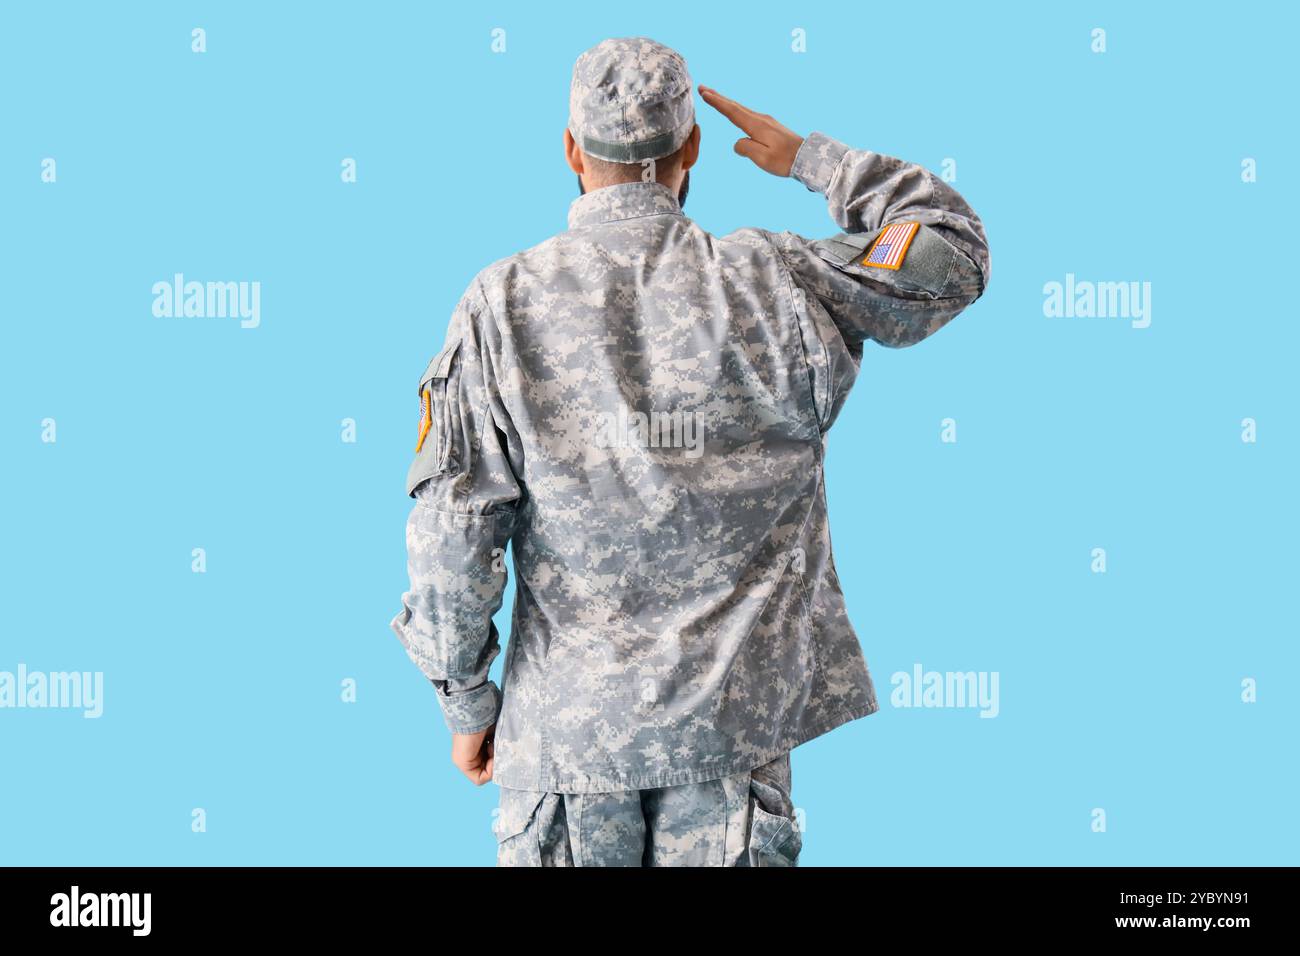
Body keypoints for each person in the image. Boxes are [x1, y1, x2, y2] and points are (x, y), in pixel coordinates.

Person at [390, 36, 990, 866]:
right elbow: (948, 256)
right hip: (731, 750)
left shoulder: (501, 305)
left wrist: (465, 702)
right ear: (693, 148)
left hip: (567, 755)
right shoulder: (778, 279)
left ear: (570, 148)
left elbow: (454, 535)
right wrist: (813, 160)